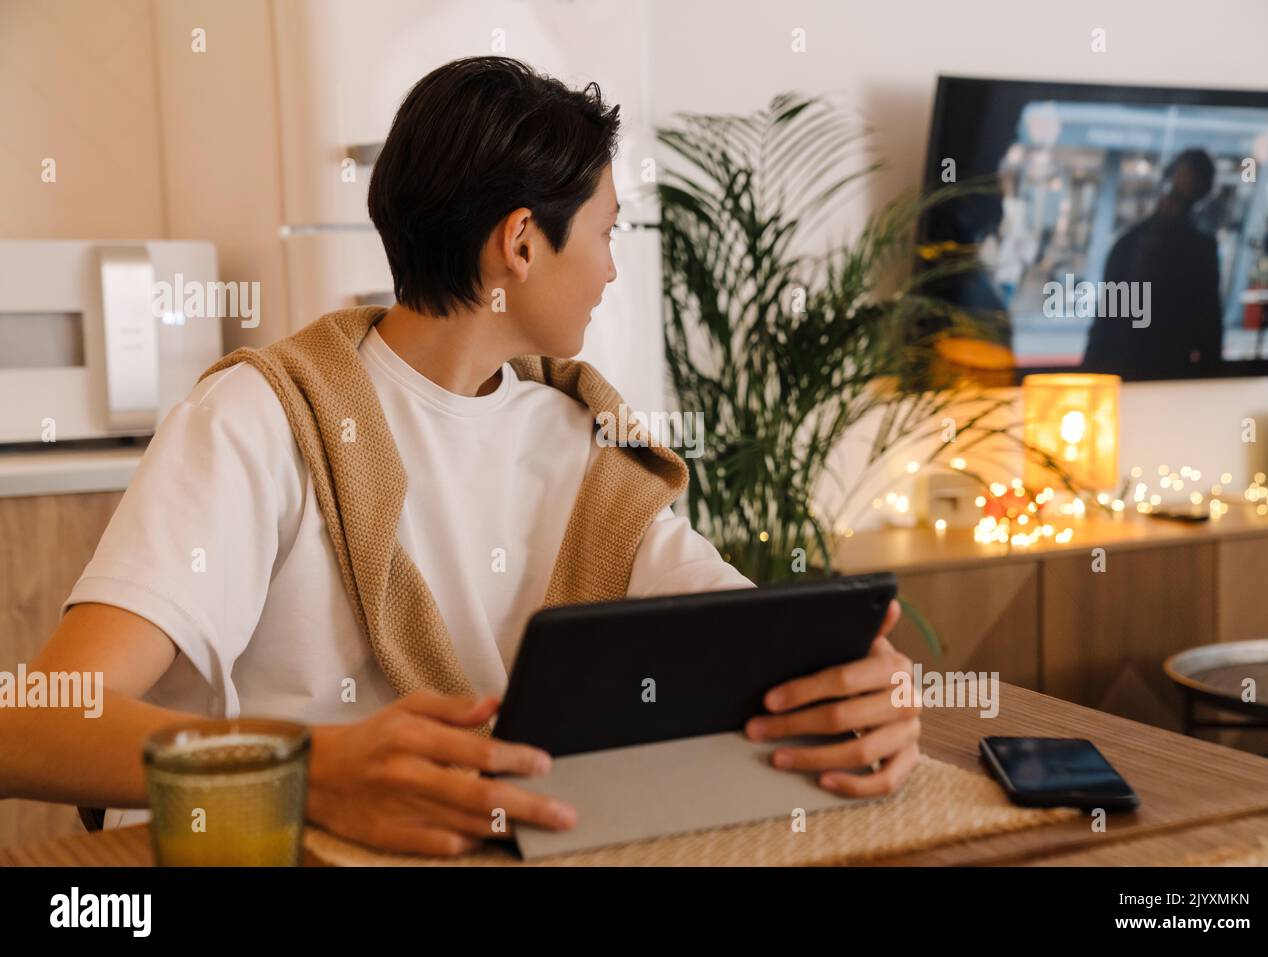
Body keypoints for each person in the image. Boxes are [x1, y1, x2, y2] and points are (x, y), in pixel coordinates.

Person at [0, 56, 920, 857]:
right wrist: (312, 769)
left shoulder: (585, 444)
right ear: (521, 243)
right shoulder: (258, 420)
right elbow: (30, 723)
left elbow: (755, 644)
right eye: (604, 232)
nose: (609, 268)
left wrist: (864, 696)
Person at [1080, 148, 1223, 380]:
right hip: (1127, 365)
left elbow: (1209, 322)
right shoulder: (1130, 244)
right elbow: (1107, 317)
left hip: (1167, 369)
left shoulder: (1200, 250)